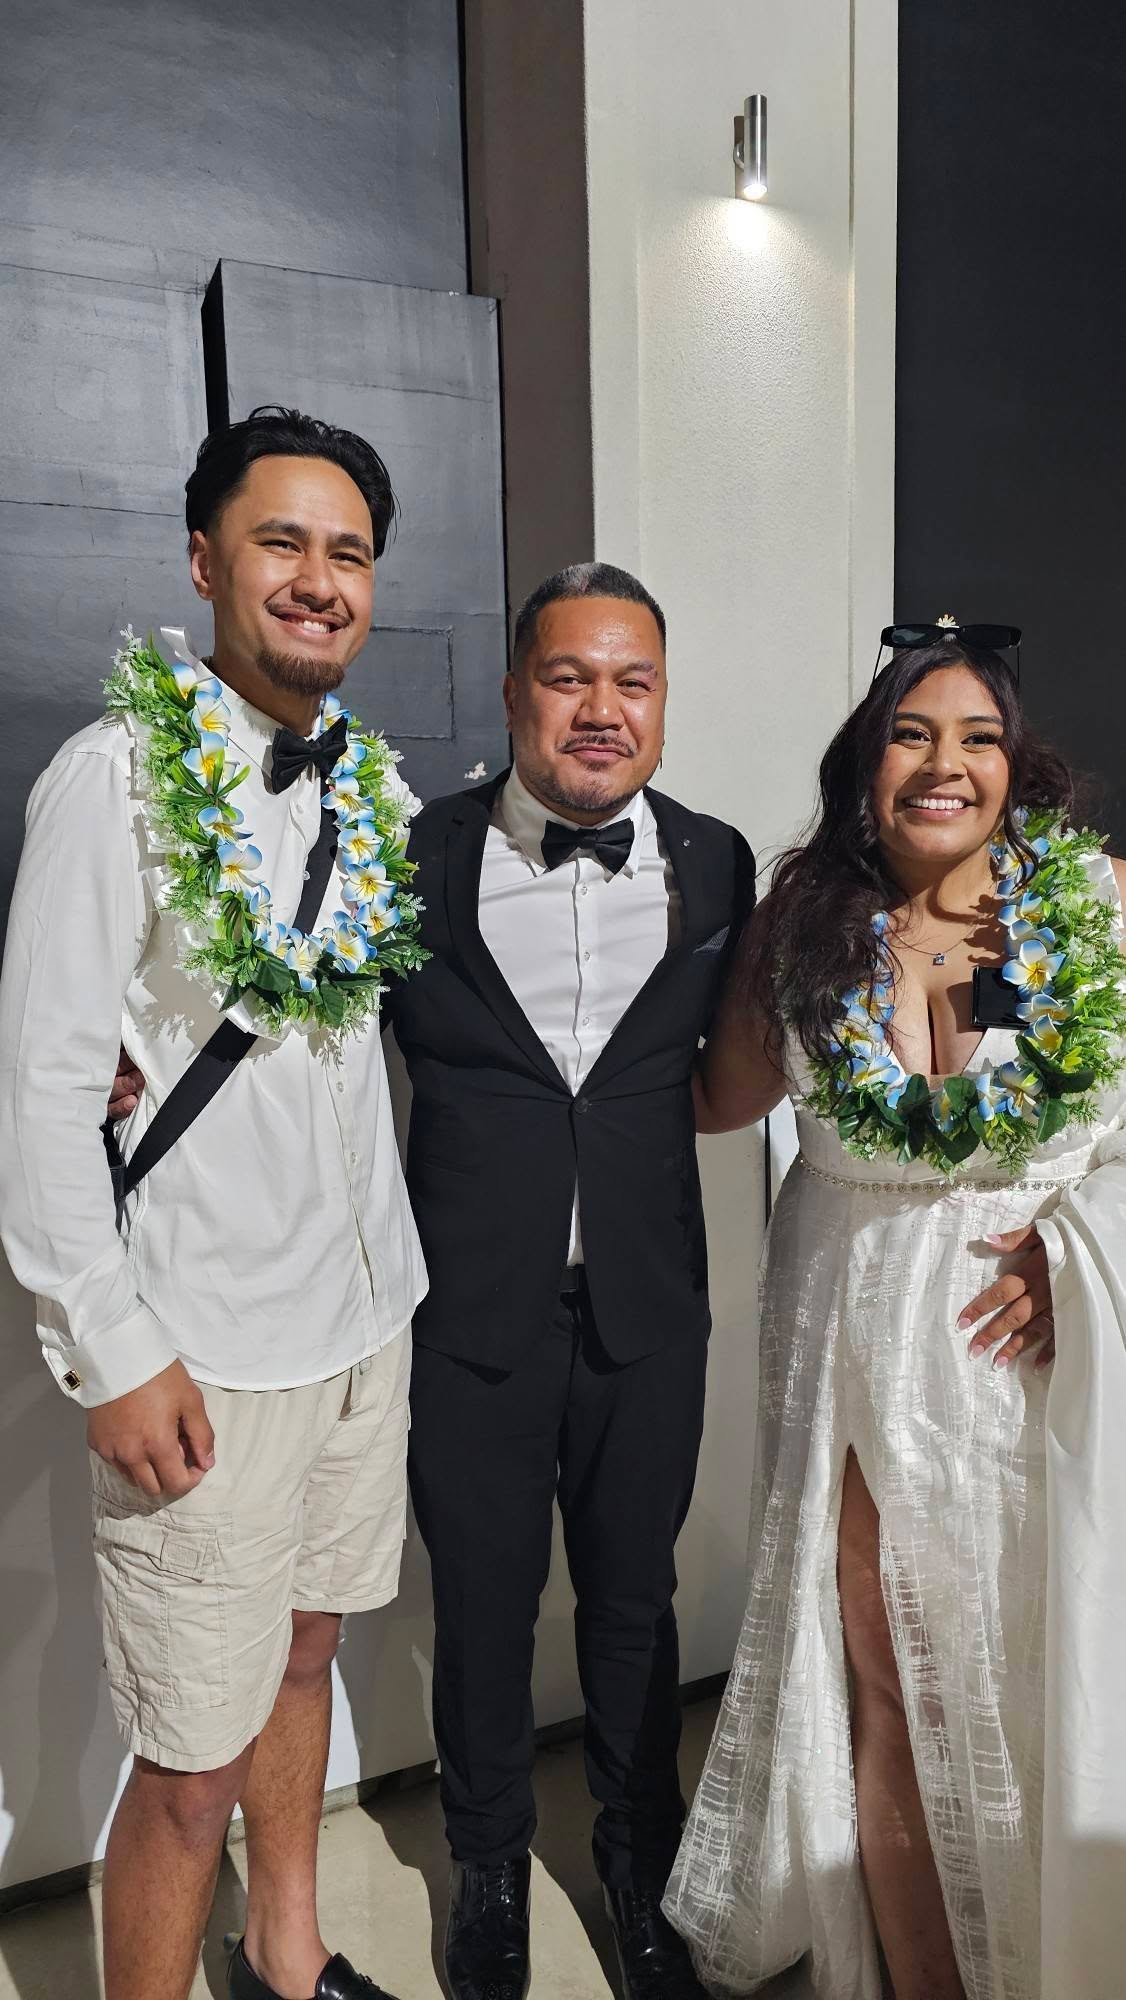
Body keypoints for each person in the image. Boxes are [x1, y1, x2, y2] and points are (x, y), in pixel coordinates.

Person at [0, 407, 429, 2000]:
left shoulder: (368, 788)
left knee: (311, 1650)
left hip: (363, 1312)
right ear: (203, 561)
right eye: (281, 542)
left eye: (349, 552)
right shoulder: (110, 780)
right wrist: (107, 1346)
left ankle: (291, 1951)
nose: (318, 580)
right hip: (205, 1350)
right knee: (185, 1762)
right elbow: (42, 1089)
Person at [663, 632, 1126, 2000]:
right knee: (887, 1666)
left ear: (1014, 763)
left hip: (1034, 1343)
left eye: (975, 736)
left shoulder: (1084, 909)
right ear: (865, 768)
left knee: (1037, 1663)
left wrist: (1083, 1248)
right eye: (909, 735)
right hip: (852, 1329)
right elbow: (706, 1098)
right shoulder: (805, 928)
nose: (944, 764)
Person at [390, 563, 755, 2000]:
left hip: (647, 1306)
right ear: (513, 693)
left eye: (632, 682)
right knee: (479, 1603)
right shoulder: (407, 856)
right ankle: (485, 1870)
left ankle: (634, 1863)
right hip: (467, 1305)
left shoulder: (721, 863)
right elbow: (304, 1039)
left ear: (660, 701)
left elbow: (753, 1055)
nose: (600, 711)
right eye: (568, 677)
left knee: (631, 1600)